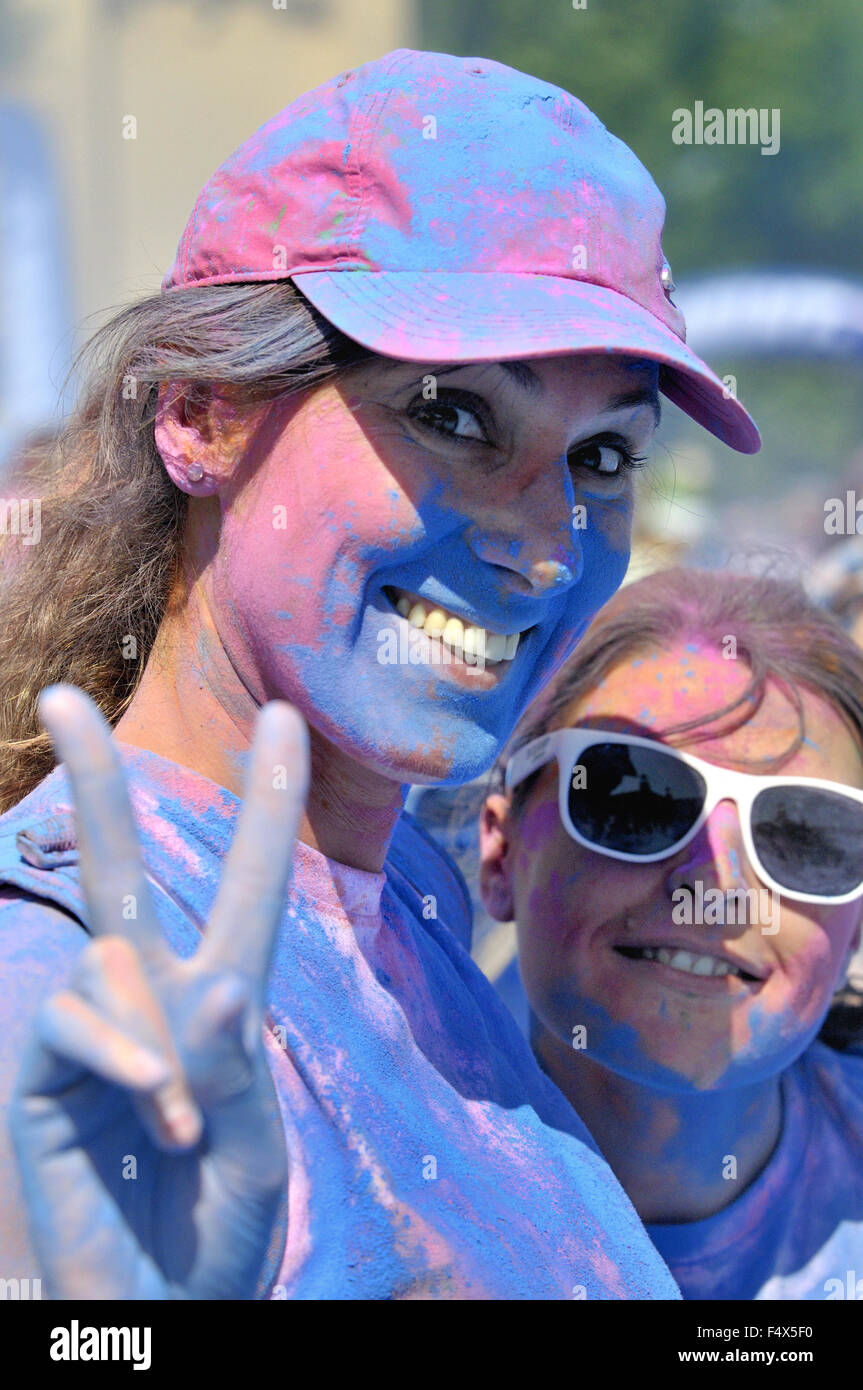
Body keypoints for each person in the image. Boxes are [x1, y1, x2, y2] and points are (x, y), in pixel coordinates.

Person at [0, 49, 758, 1300]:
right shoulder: (70, 975)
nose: (540, 543)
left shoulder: (403, 883)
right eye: (454, 416)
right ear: (199, 413)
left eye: (606, 455)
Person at [480, 566, 863, 1300]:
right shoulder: (360, 1162)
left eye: (803, 833)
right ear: (499, 853)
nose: (711, 889)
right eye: (636, 795)